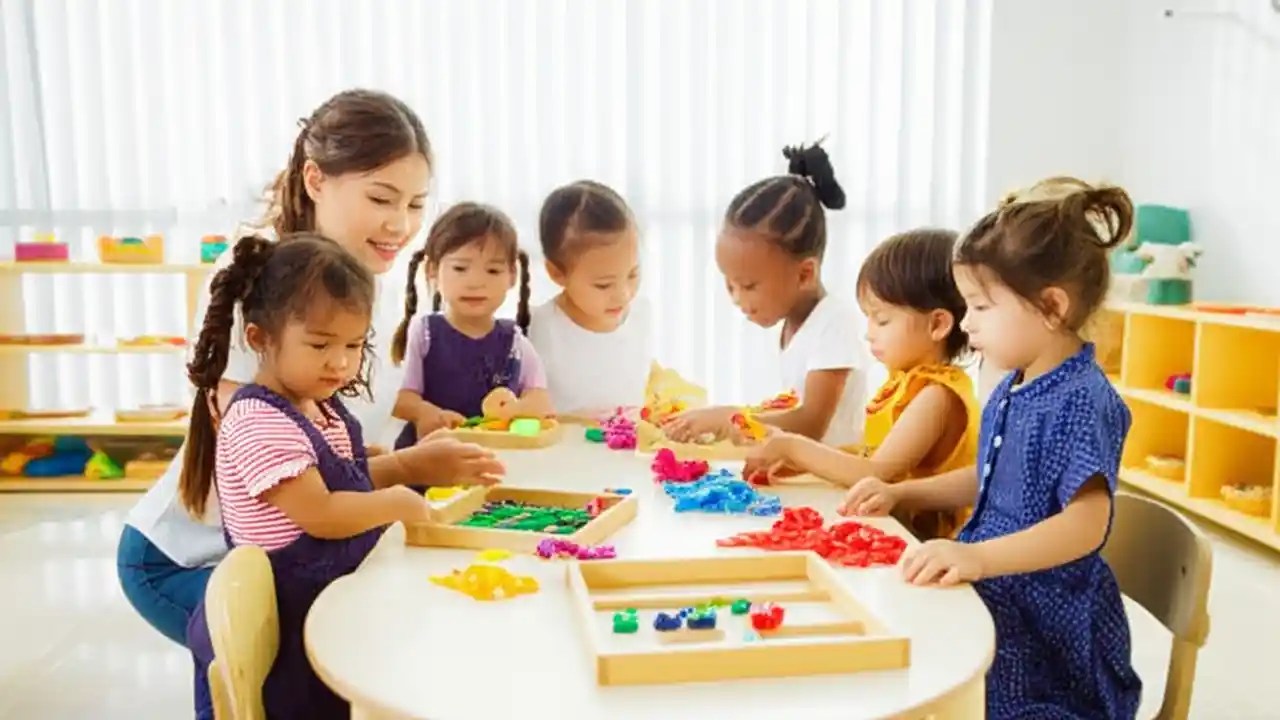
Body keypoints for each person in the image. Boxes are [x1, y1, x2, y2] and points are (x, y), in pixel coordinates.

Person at [117, 89, 501, 648]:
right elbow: (283, 470)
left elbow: (335, 450)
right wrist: (403, 471)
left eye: (417, 204)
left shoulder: (364, 281)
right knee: (326, 654)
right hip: (194, 556)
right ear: (315, 179)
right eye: (381, 198)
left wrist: (415, 459)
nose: (400, 225)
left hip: (290, 545)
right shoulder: (263, 279)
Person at [844, 177, 1143, 719]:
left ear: (1051, 307)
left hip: (1045, 624)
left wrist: (978, 557)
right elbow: (991, 477)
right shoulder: (1014, 385)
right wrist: (903, 493)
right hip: (997, 588)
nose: (966, 323)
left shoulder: (1082, 399)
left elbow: (1086, 523)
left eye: (981, 307)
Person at [183, 235, 493, 719]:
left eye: (354, 344)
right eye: (320, 344)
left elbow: (342, 479)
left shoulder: (316, 405)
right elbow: (322, 513)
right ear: (260, 338)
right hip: (291, 626)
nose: (341, 362)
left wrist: (409, 465)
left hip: (329, 597)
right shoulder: (259, 420)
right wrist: (398, 502)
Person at [746, 229, 978, 540]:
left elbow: (878, 472)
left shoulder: (935, 396)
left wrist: (793, 446)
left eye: (882, 320)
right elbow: (871, 453)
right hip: (892, 529)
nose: (869, 333)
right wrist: (810, 464)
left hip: (923, 543)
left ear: (937, 324)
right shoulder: (904, 383)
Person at [664, 142, 868, 446]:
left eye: (748, 286)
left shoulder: (834, 324)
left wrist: (730, 419)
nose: (736, 298)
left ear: (804, 274)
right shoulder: (795, 324)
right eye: (729, 284)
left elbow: (811, 424)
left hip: (833, 473)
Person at [390, 202, 552, 445]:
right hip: (430, 456)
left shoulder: (514, 341)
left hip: (496, 457)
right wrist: (426, 413)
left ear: (512, 276)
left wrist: (515, 409)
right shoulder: (424, 333)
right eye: (460, 268)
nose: (476, 282)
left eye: (493, 271)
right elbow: (400, 398)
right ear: (432, 270)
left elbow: (541, 401)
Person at [527, 180, 651, 420]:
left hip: (628, 442)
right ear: (557, 273)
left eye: (633, 274)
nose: (624, 295)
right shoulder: (541, 328)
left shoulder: (641, 314)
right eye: (603, 285)